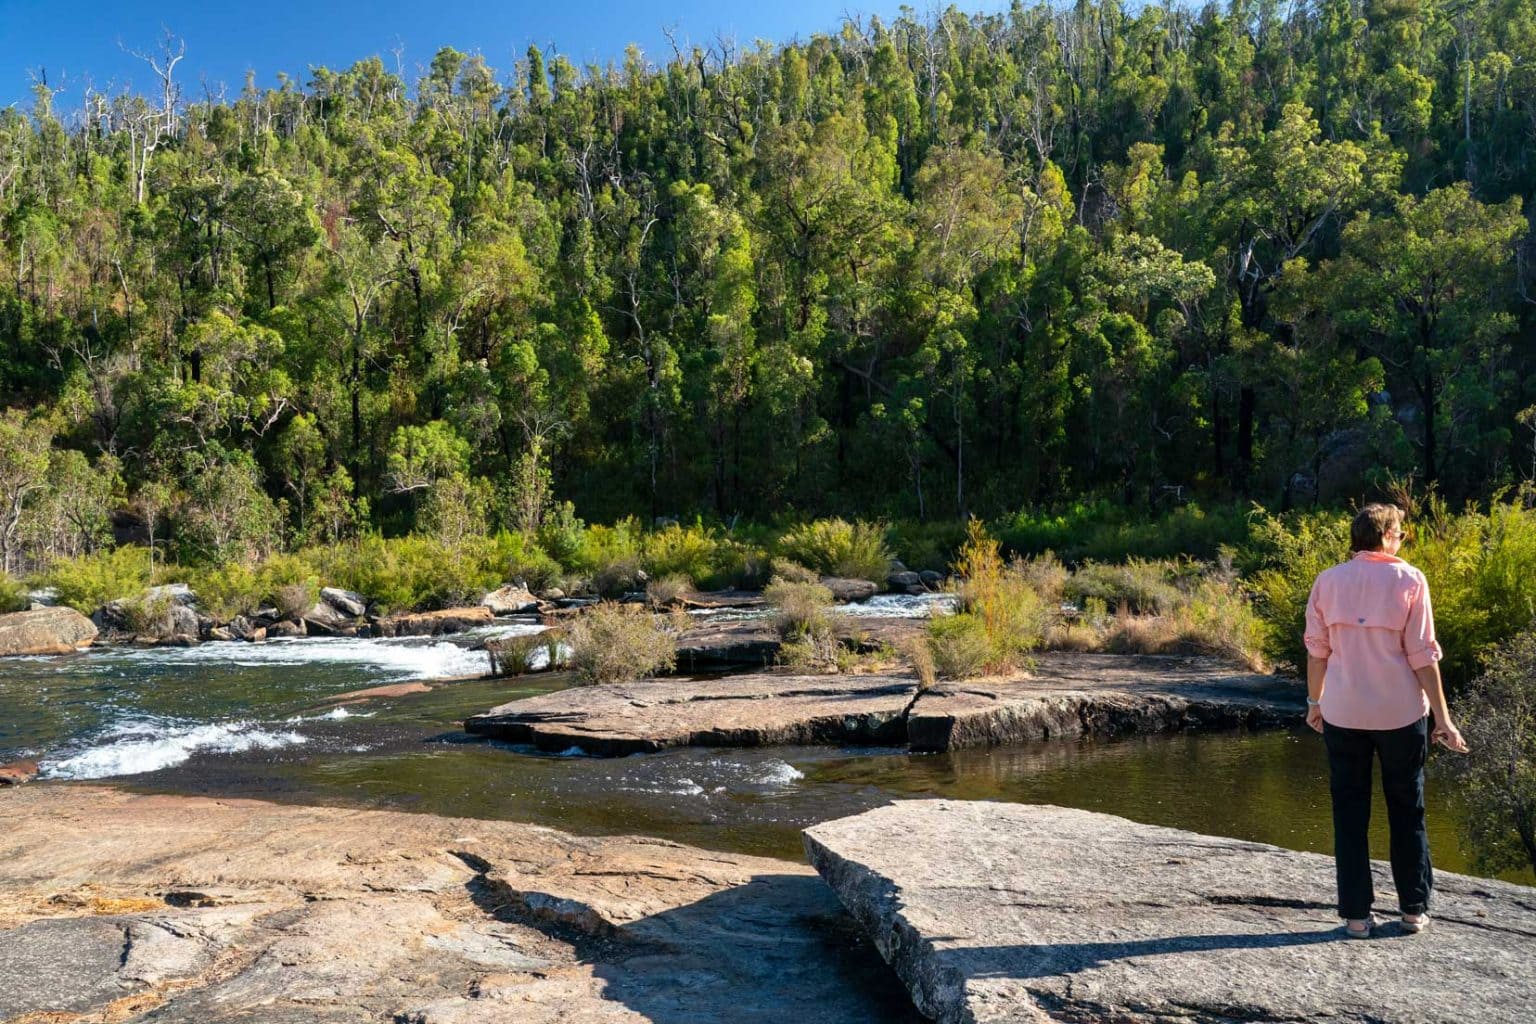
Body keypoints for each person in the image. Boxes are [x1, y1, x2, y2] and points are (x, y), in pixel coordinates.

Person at [1303, 503, 1468, 939]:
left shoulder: (1328, 581)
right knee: (1407, 809)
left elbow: (1317, 652)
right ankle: (1413, 911)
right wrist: (1444, 720)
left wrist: (1314, 702)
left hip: (1343, 713)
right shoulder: (1410, 580)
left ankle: (1356, 918)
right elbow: (1423, 657)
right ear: (1388, 536)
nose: (1402, 538)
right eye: (1399, 532)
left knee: (1350, 813)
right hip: (1400, 715)